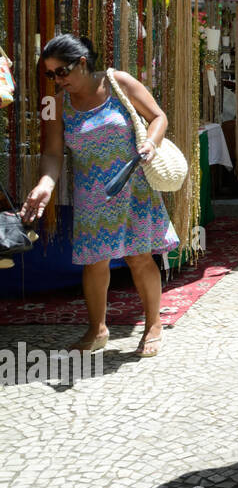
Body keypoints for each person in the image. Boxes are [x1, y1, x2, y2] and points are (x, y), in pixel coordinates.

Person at [20, 34, 180, 356]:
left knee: (139, 256)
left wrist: (150, 142)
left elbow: (158, 117)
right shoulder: (55, 104)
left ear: (82, 63)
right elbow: (52, 154)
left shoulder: (116, 81)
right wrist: (45, 185)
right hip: (92, 194)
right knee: (94, 262)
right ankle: (97, 329)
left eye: (61, 72)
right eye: (49, 74)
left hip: (133, 186)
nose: (56, 80)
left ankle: (152, 325)